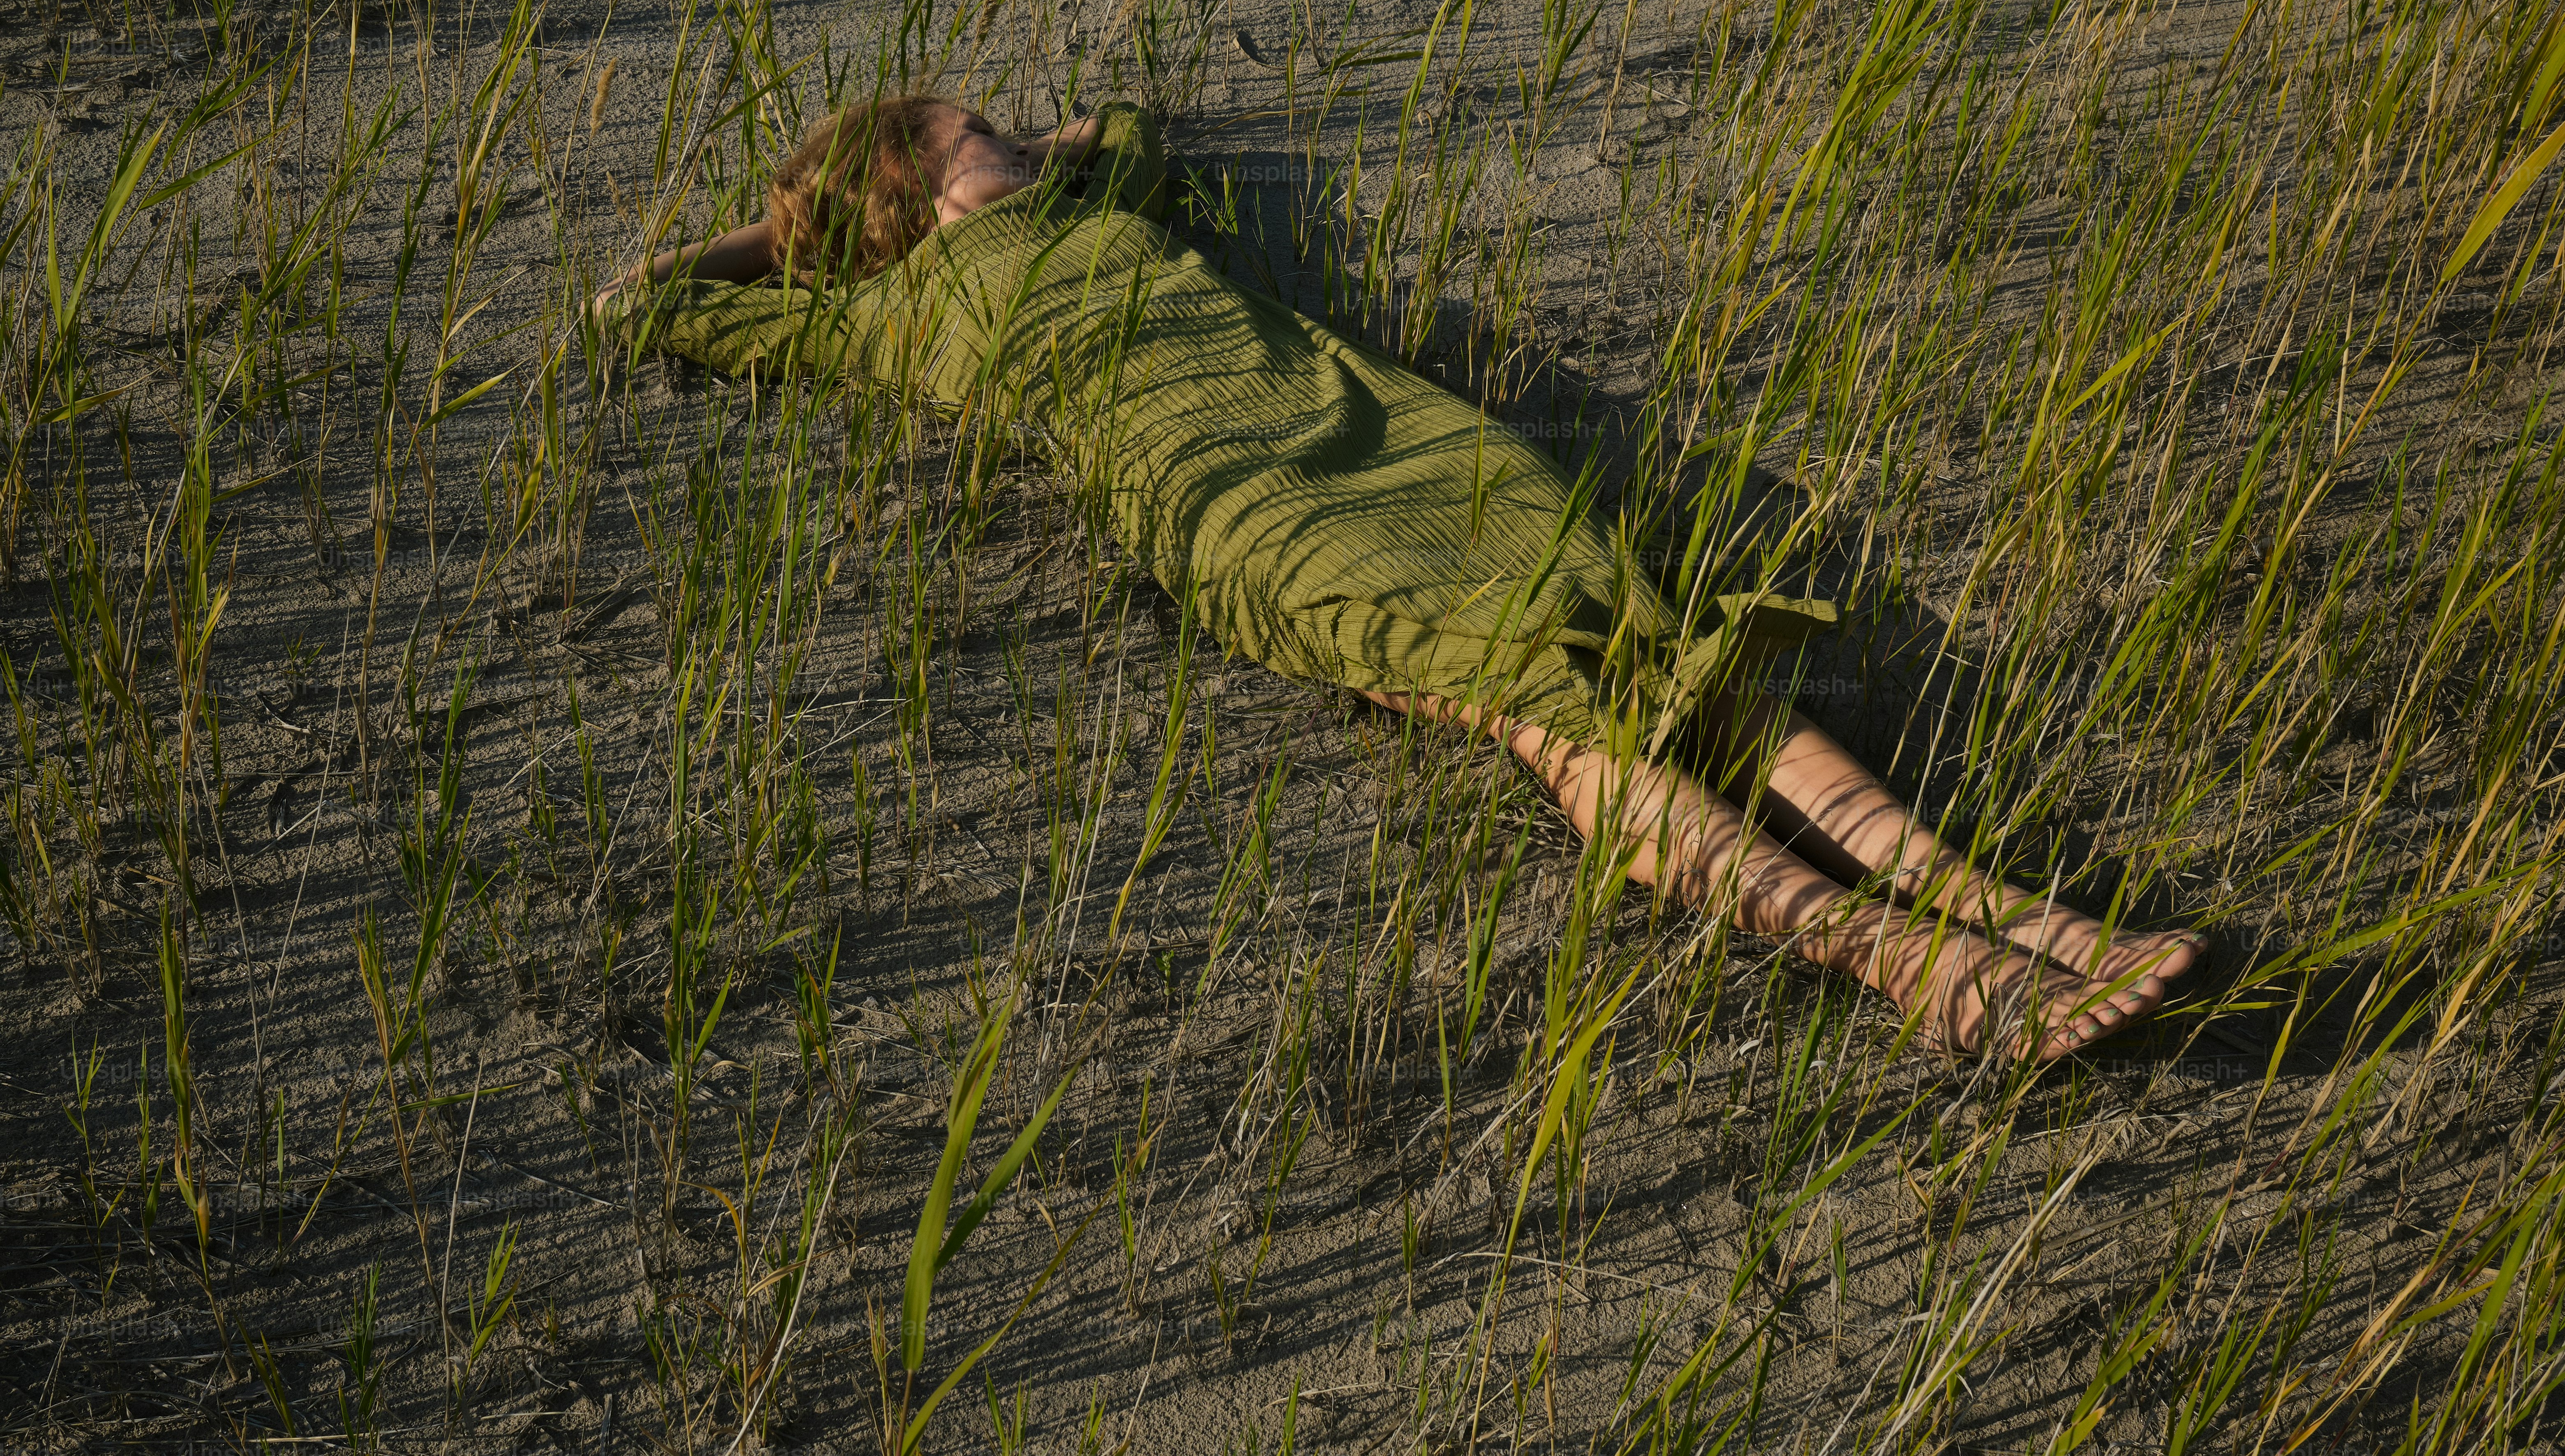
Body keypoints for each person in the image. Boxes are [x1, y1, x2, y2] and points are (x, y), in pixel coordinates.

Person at [596, 95, 2205, 1059]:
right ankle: (1902, 960)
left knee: (1645, 633)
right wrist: (793, 222)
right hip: (1227, 498)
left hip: (1386, 424)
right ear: (929, 193)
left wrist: (984, 151)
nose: (1023, 137)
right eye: (982, 135)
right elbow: (651, 305)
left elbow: (1132, 125)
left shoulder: (1089, 198)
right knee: (1540, 702)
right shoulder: (886, 310)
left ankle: (2005, 908)